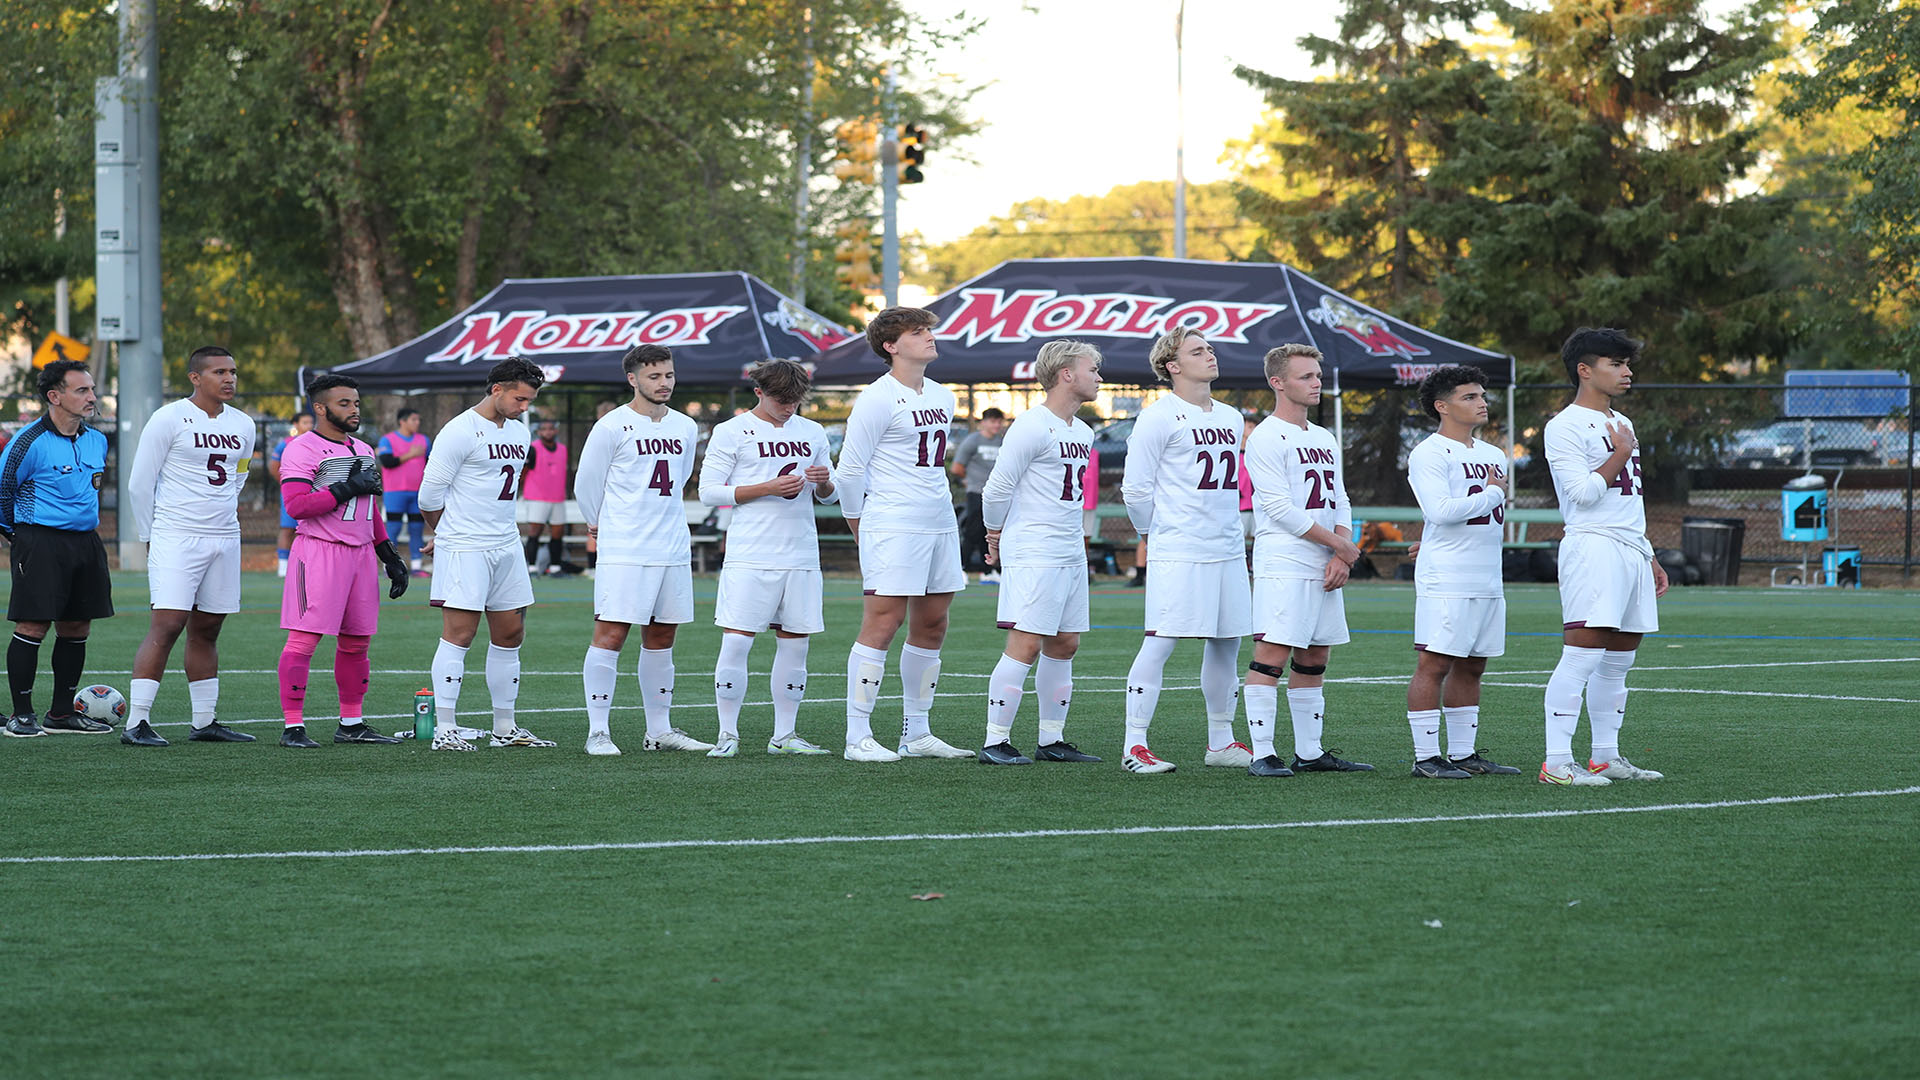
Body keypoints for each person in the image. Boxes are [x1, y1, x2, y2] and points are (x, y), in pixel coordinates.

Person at [834, 306, 973, 763]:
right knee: (883, 621)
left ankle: (917, 732)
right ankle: (858, 735)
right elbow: (850, 469)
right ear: (891, 346)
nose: (930, 337)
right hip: (892, 521)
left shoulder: (942, 395)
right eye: (918, 332)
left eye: (929, 329)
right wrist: (858, 523)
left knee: (933, 623)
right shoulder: (876, 398)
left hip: (937, 519)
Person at [1117, 328, 1254, 774]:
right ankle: (1134, 745)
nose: (1209, 355)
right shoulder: (1159, 417)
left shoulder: (1232, 416)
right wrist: (1150, 533)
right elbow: (1135, 487)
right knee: (1161, 640)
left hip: (1227, 545)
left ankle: (1221, 742)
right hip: (1179, 545)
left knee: (1227, 642)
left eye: (1210, 348)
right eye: (1198, 351)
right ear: (1172, 366)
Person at [1540, 328, 1668, 786]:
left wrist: (1648, 553)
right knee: (1581, 656)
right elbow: (1582, 495)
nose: (1627, 372)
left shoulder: (1624, 423)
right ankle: (1556, 763)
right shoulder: (1564, 426)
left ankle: (1605, 757)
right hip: (1592, 546)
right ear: (1585, 370)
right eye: (1616, 364)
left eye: (1627, 364)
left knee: (1620, 662)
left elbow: (1629, 501)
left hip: (1630, 548)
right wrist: (1619, 454)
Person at [696, 358, 839, 758]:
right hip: (750, 555)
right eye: (781, 399)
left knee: (795, 646)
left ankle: (785, 735)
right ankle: (727, 734)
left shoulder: (812, 431)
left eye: (795, 399)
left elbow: (831, 492)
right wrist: (766, 487)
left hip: (801, 553)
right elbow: (708, 492)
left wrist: (825, 481)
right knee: (737, 643)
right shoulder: (732, 430)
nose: (789, 406)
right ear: (758, 392)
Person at [1241, 344, 1372, 776]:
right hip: (1285, 561)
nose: (1316, 383)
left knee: (1316, 656)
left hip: (1325, 559)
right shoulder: (1264, 436)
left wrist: (1341, 548)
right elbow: (1278, 508)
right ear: (1277, 383)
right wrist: (1338, 547)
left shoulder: (1322, 436)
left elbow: (1341, 498)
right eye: (1306, 377)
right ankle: (1262, 754)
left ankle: (1310, 752)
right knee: (1271, 655)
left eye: (1317, 375)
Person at [976, 340, 1105, 765]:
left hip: (1067, 548)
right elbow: (997, 487)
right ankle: (995, 741)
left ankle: (1052, 740)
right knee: (1027, 643)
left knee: (1066, 643)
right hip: (1035, 547)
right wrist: (994, 534)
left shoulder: (1082, 431)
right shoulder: (1032, 424)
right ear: (1067, 374)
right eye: (1092, 369)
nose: (1099, 377)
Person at [123, 345, 258, 746]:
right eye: (219, 372)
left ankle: (204, 721)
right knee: (167, 624)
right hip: (176, 534)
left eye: (232, 371)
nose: (229, 378)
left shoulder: (244, 424)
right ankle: (137, 722)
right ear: (195, 378)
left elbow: (240, 474)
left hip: (223, 536)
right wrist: (148, 536)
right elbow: (139, 483)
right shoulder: (168, 417)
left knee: (209, 627)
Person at [575, 344, 706, 757]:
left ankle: (659, 730)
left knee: (663, 635)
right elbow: (587, 484)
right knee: (611, 634)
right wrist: (600, 526)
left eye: (668, 375)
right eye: (654, 376)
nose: (664, 383)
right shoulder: (612, 425)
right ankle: (598, 731)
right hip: (626, 548)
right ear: (632, 379)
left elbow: (682, 479)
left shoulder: (685, 426)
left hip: (671, 546)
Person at [417, 356, 553, 751]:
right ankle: (444, 729)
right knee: (460, 634)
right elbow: (429, 496)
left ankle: (504, 728)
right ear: (497, 389)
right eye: (520, 399)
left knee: (511, 633)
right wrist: (446, 534)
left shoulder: (519, 431)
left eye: (529, 400)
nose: (524, 407)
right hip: (467, 547)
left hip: (506, 544)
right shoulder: (459, 431)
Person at [275, 374, 409, 748]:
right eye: (344, 403)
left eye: (356, 403)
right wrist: (347, 487)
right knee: (303, 641)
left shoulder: (364, 450)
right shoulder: (302, 449)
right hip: (319, 550)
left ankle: (351, 723)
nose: (354, 410)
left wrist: (389, 554)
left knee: (356, 643)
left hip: (361, 555)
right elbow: (297, 506)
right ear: (320, 408)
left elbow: (370, 509)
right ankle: (293, 727)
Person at [1403, 365, 1523, 779]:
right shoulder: (1428, 453)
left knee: (1474, 665)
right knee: (1434, 664)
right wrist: (1491, 492)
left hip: (1487, 575)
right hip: (1448, 578)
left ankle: (1463, 752)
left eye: (1481, 395)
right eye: (1469, 397)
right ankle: (1424, 758)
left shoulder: (1492, 454)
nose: (1481, 402)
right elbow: (1440, 511)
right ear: (1443, 407)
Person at [1, 360, 113, 738]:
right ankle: (22, 715)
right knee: (33, 624)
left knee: (77, 625)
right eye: (82, 390)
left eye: (92, 389)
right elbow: (3, 492)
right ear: (55, 396)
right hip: (39, 541)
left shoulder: (98, 439)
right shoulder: (28, 442)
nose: (92, 397)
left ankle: (62, 714)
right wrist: (19, 538)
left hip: (86, 542)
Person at [951, 407, 1006, 582]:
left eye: (999, 421)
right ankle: (960, 567)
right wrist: (968, 482)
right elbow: (956, 467)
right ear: (983, 422)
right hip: (976, 492)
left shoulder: (1002, 442)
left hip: (996, 495)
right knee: (972, 531)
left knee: (989, 532)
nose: (996, 425)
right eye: (992, 421)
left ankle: (987, 571)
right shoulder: (973, 441)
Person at [376, 408, 431, 575]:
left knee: (416, 528)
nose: (417, 423)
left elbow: (430, 462)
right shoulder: (388, 440)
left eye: (418, 420)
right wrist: (411, 454)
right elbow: (387, 462)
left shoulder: (423, 440)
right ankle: (390, 567)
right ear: (403, 421)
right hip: (395, 492)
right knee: (393, 528)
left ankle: (415, 566)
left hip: (417, 493)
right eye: (414, 419)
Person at [269, 411, 315, 577]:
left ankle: (309, 565)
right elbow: (274, 467)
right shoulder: (286, 444)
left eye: (311, 422)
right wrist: (288, 486)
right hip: (292, 494)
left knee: (311, 529)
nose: (309, 425)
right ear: (296, 424)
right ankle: (283, 566)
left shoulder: (317, 442)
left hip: (312, 495)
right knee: (288, 528)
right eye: (305, 422)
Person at [522, 418, 569, 575]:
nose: (548, 432)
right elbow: (523, 472)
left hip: (557, 497)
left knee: (557, 532)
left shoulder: (563, 449)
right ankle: (532, 566)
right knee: (535, 530)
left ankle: (555, 567)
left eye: (551, 428)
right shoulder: (533, 449)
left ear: (555, 431)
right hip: (537, 497)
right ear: (539, 432)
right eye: (544, 429)